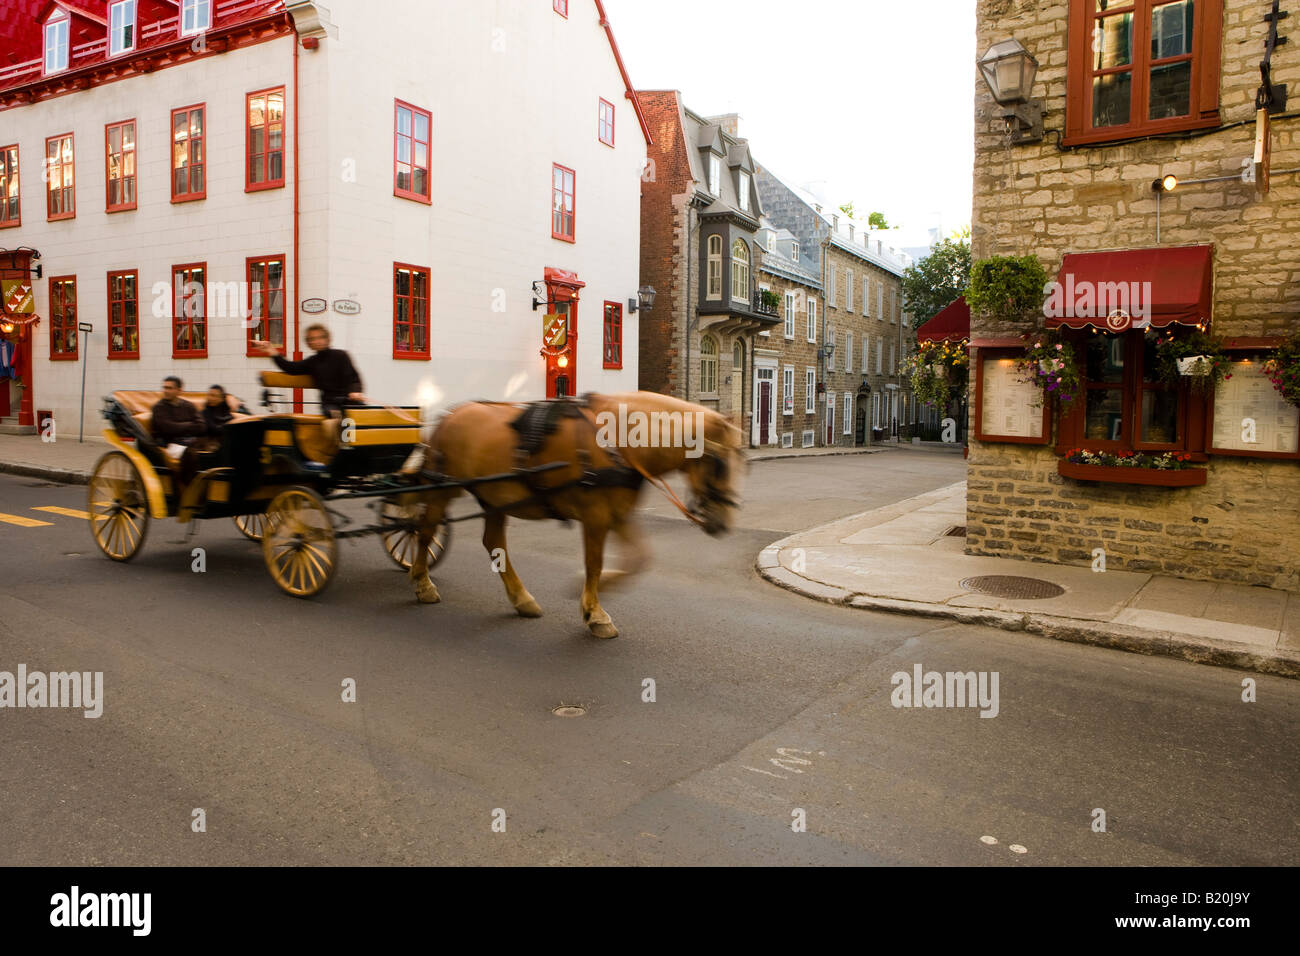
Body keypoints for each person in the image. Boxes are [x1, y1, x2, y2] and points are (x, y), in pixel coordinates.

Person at [252, 325, 368, 416]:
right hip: (330, 404)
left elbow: (354, 379)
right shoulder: (312, 362)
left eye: (321, 337)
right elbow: (290, 368)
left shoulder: (341, 356)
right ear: (309, 343)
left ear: (328, 339)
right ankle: (342, 444)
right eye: (313, 339)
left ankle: (355, 443)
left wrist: (355, 391)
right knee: (335, 417)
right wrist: (271, 350)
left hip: (349, 401)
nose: (317, 341)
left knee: (371, 415)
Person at [151, 376, 207, 486]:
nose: (165, 391)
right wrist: (190, 425)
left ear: (179, 390)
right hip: (170, 443)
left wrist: (180, 427)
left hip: (191, 441)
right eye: (164, 388)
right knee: (191, 454)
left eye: (169, 388)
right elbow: (168, 428)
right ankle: (188, 489)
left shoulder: (188, 405)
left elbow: (201, 426)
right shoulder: (158, 407)